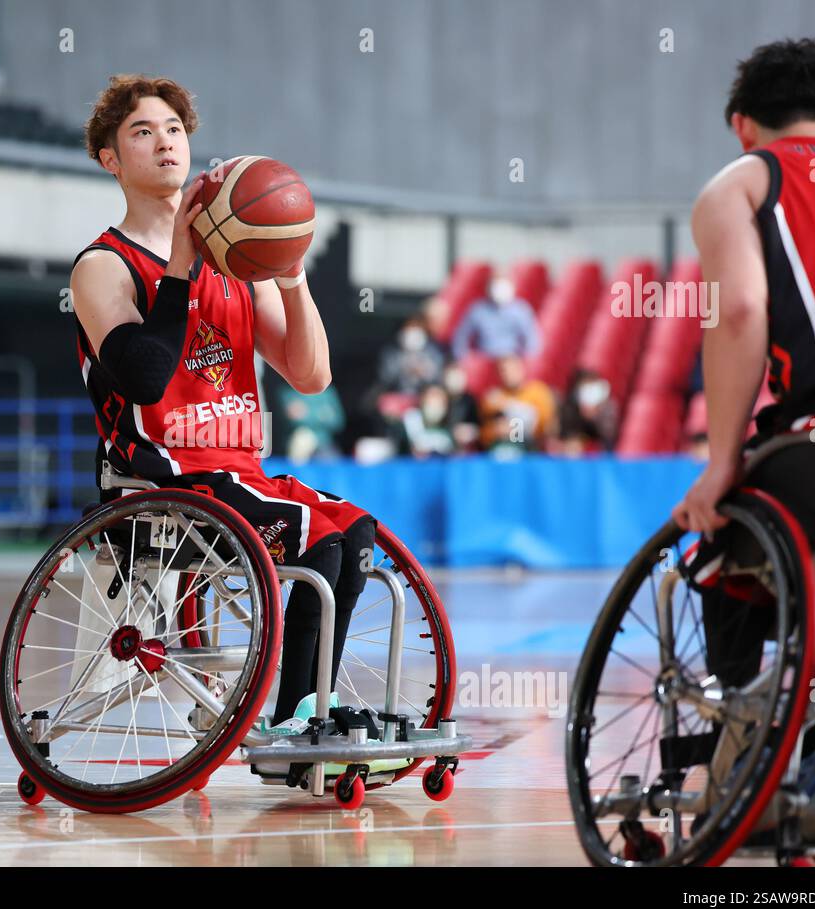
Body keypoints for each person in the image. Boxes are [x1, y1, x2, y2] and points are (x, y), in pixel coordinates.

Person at [71, 74, 377, 730]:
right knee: (317, 540)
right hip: (159, 486)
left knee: (352, 533)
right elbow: (145, 380)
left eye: (174, 130)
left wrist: (291, 275)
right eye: (142, 132)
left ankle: (305, 710)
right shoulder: (103, 266)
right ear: (111, 159)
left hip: (238, 478)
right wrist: (179, 269)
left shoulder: (234, 263)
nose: (164, 143)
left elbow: (311, 375)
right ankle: (295, 718)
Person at [671, 36, 815, 841]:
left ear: (743, 127)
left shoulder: (743, 183)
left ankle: (793, 755)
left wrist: (720, 464)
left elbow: (742, 312)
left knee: (731, 545)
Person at [451, 271, 540, 360]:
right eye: (496, 285)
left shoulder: (521, 310)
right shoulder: (477, 310)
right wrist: (463, 360)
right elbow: (461, 336)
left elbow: (532, 340)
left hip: (510, 361)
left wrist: (524, 361)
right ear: (488, 288)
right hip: (485, 360)